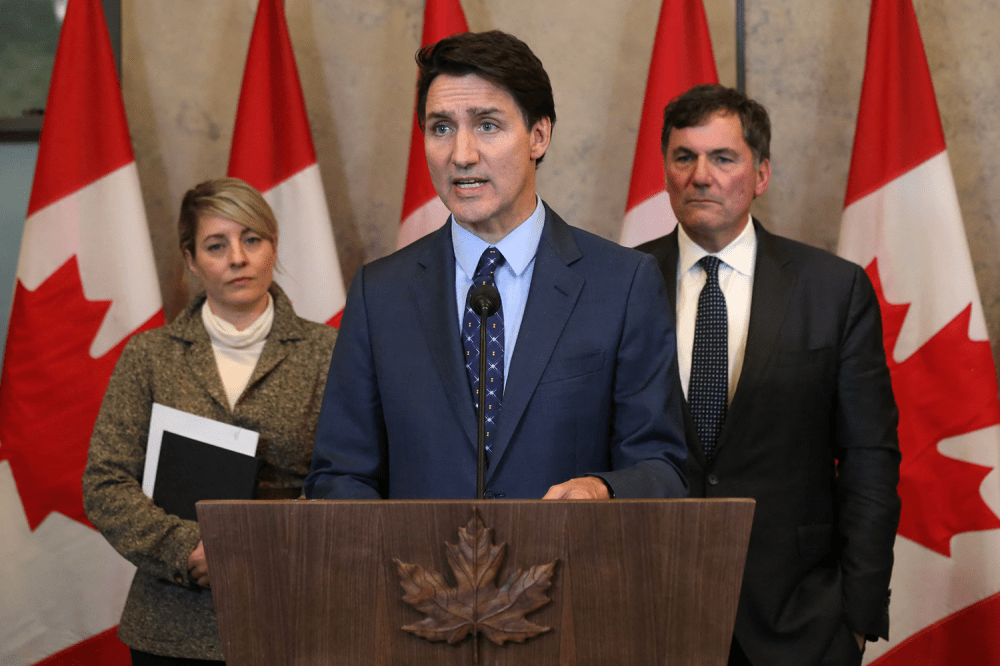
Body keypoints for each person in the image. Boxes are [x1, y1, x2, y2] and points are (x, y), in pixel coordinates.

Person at [306, 30, 687, 501]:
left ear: (538, 135)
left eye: (487, 125)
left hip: (570, 566)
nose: (461, 155)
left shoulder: (623, 284)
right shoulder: (379, 292)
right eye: (441, 127)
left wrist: (602, 490)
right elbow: (338, 475)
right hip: (419, 572)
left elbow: (662, 468)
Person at [637, 84, 901, 666]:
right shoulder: (619, 283)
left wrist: (857, 615)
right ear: (665, 171)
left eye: (723, 158)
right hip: (647, 609)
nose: (700, 176)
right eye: (684, 157)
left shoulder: (833, 290)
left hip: (799, 621)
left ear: (760, 174)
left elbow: (869, 457)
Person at [82, 178, 337, 665]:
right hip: (170, 625)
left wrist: (259, 550)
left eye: (252, 239)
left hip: (292, 614)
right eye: (216, 245)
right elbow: (105, 482)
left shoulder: (329, 351)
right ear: (192, 260)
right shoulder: (149, 356)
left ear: (272, 246)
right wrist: (188, 551)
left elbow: (346, 476)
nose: (237, 258)